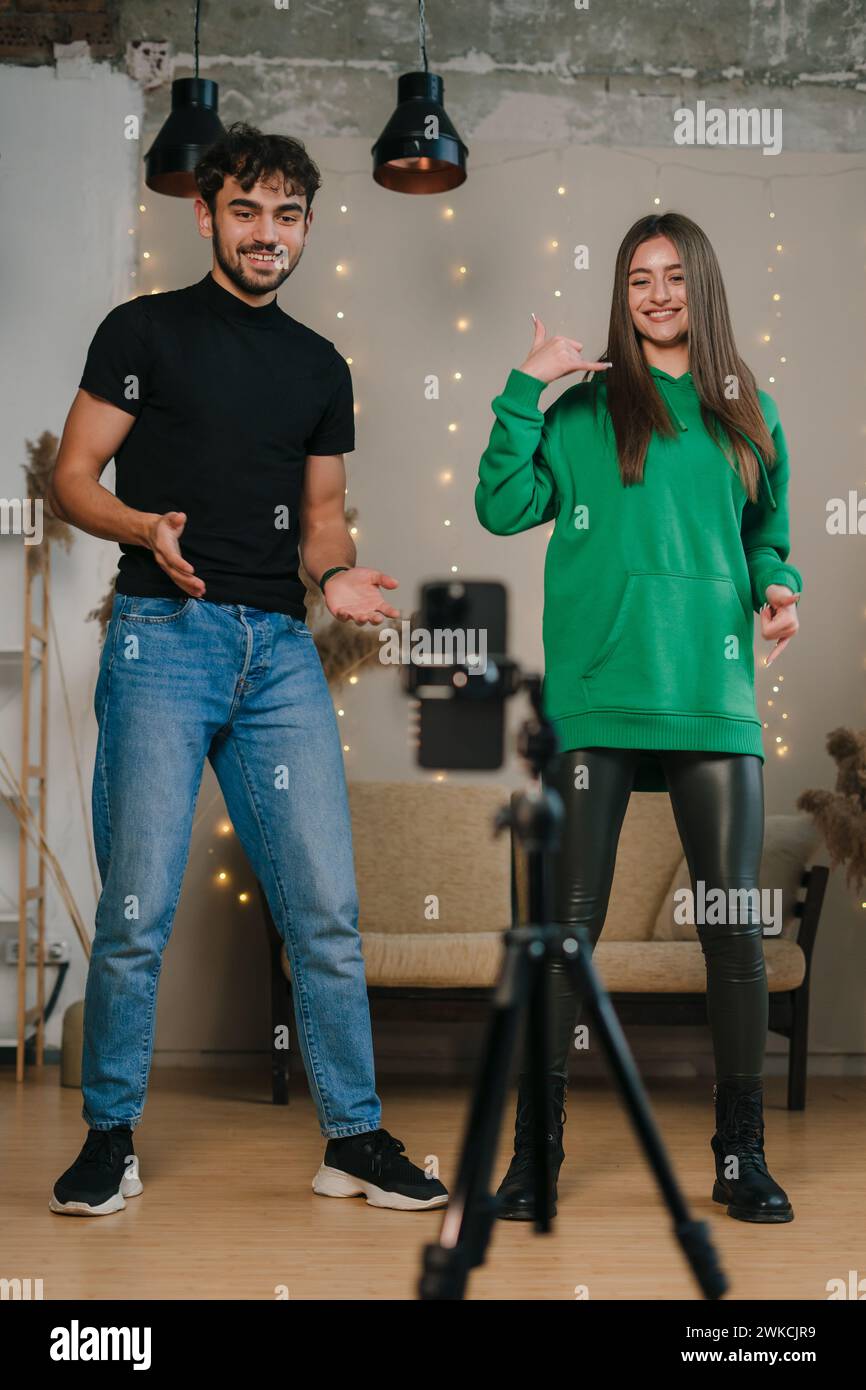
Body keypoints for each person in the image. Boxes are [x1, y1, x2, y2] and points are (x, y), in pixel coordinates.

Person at [47, 122, 447, 1216]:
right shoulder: (142, 331)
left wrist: (338, 576)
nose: (267, 232)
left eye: (287, 215)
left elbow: (320, 518)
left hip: (277, 657)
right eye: (246, 210)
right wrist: (144, 527)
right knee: (136, 912)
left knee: (324, 913)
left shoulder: (318, 366)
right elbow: (73, 477)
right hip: (161, 640)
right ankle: (110, 1137)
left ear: (306, 227)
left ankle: (352, 1140)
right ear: (206, 215)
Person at [475, 211, 802, 1225]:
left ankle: (739, 1155)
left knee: (732, 930)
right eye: (637, 279)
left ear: (700, 286)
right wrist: (525, 387)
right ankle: (533, 1157)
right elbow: (499, 505)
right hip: (596, 697)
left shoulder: (747, 410)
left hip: (710, 694)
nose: (656, 294)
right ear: (621, 295)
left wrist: (778, 586)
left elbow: (766, 535)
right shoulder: (583, 410)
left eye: (672, 276)